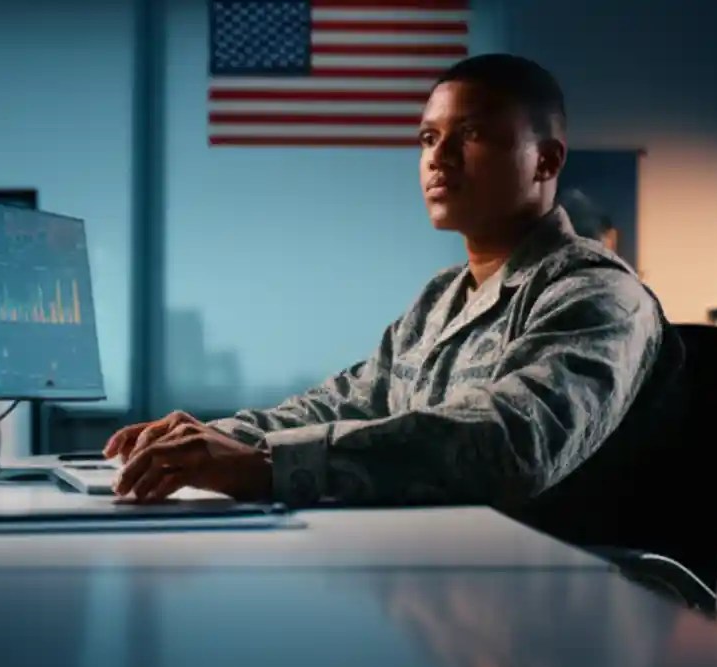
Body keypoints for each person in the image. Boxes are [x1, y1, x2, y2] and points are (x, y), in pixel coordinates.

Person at [104, 54, 684, 516]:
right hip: (433, 578)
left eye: (473, 134)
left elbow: (513, 441)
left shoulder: (599, 294)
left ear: (547, 161)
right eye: (429, 138)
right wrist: (210, 440)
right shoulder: (441, 298)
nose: (440, 158)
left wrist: (265, 467)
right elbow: (347, 401)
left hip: (542, 596)